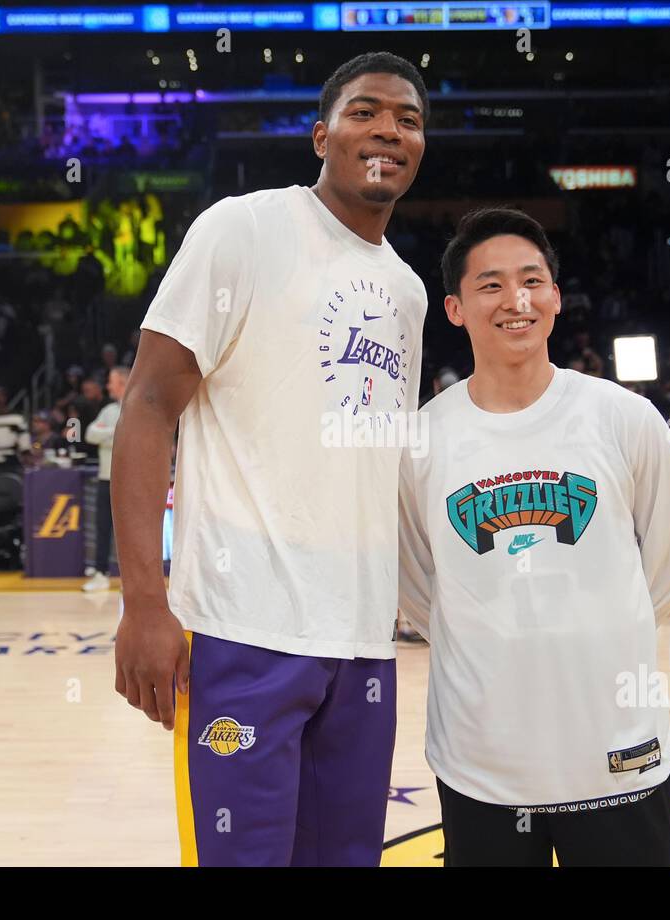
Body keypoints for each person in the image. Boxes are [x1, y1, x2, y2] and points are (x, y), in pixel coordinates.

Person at [111, 52, 429, 867]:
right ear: (320, 134)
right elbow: (148, 406)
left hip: (361, 638)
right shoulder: (243, 228)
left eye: (408, 119)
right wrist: (145, 602)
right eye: (365, 112)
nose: (388, 129)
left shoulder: (407, 290)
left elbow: (383, 465)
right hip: (242, 630)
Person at [399, 208, 670, 866]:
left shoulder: (625, 418)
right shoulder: (421, 438)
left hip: (617, 754)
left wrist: (600, 641)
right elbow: (417, 586)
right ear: (454, 307)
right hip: (483, 762)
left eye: (532, 280)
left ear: (556, 297)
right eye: (492, 284)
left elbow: (669, 564)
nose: (517, 300)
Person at [82, 366, 128, 592]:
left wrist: (108, 434)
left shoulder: (138, 408)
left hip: (129, 482)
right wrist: (115, 432)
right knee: (102, 528)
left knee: (130, 531)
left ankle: (130, 580)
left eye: (112, 382)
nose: (108, 386)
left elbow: (132, 440)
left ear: (124, 383)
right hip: (105, 478)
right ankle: (101, 574)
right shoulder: (109, 410)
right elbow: (90, 434)